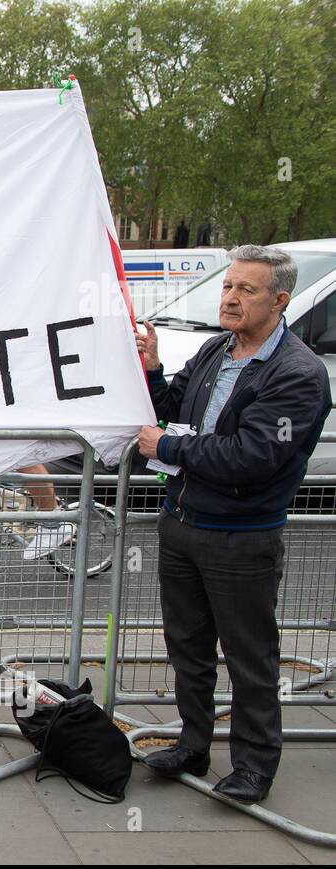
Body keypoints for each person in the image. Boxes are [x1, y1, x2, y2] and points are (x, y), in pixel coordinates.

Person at [134, 244, 332, 804]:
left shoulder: (298, 373)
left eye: (246, 290)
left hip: (241, 537)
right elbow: (172, 405)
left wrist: (168, 445)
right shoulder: (214, 349)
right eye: (228, 287)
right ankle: (193, 744)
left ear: (280, 300)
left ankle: (253, 768)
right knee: (187, 648)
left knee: (250, 657)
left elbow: (252, 457)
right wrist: (152, 373)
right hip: (181, 524)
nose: (231, 298)